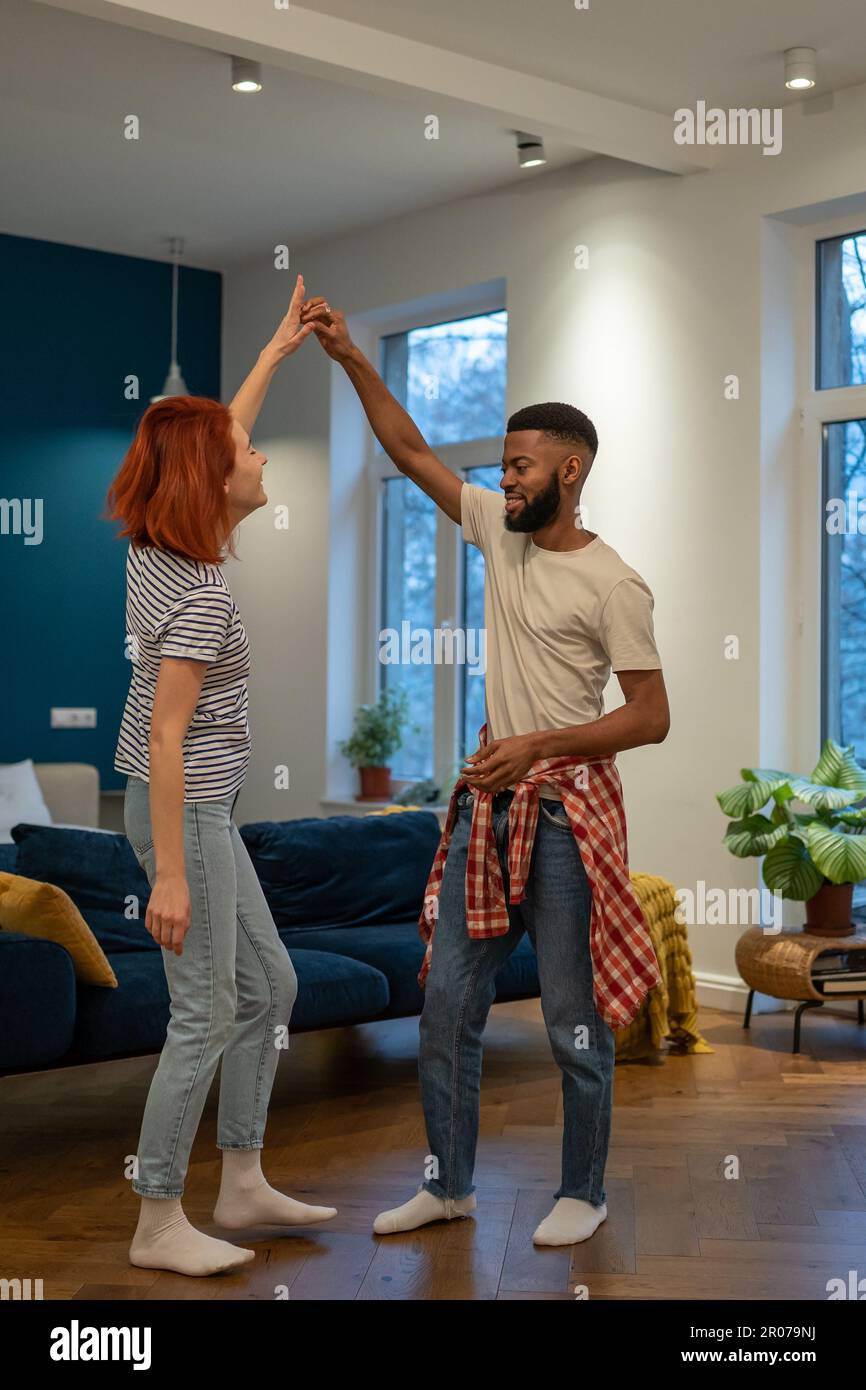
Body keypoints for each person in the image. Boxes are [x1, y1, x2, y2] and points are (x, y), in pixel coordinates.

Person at [300, 296, 670, 1247]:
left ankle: (582, 1193)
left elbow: (650, 717)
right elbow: (412, 449)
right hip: (483, 812)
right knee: (446, 1008)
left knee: (569, 1022)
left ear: (570, 470)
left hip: (561, 816)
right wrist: (350, 358)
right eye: (502, 466)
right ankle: (449, 1184)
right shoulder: (497, 532)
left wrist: (539, 744)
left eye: (520, 466)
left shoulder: (614, 582)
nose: (502, 480)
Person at [106, 275, 336, 1278]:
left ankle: (239, 1176)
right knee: (203, 1008)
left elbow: (212, 438)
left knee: (270, 982)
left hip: (199, 811)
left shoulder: (159, 545)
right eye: (248, 455)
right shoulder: (196, 592)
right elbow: (166, 736)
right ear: (215, 482)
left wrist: (274, 354)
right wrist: (168, 870)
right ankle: (156, 1217)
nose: (259, 452)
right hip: (183, 812)